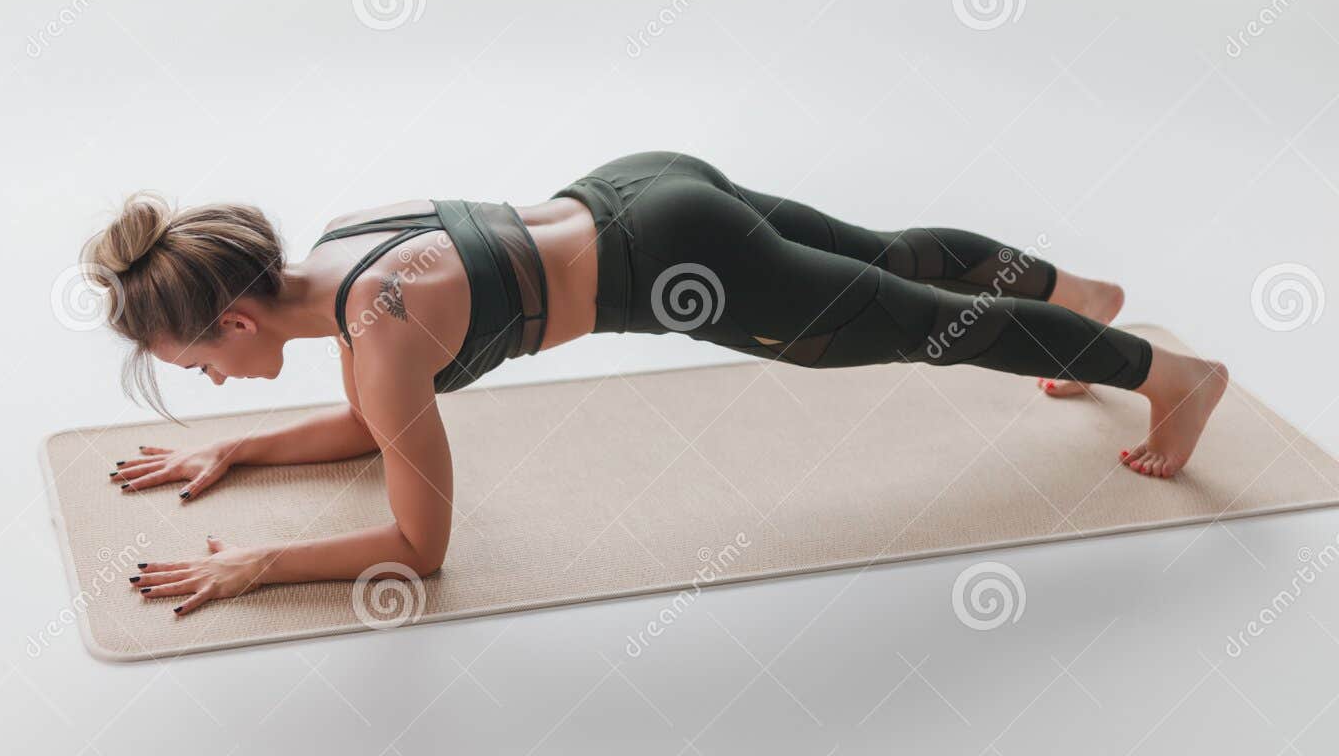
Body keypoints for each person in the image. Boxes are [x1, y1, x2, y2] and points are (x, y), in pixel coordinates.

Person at [84, 150, 1228, 616]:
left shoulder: (377, 341)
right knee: (889, 257)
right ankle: (1077, 295)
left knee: (923, 327)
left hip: (683, 268)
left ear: (232, 316)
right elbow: (374, 417)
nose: (213, 381)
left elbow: (419, 540)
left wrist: (260, 564)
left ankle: (1166, 376)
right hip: (641, 185)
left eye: (198, 366)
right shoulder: (346, 252)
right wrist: (238, 454)